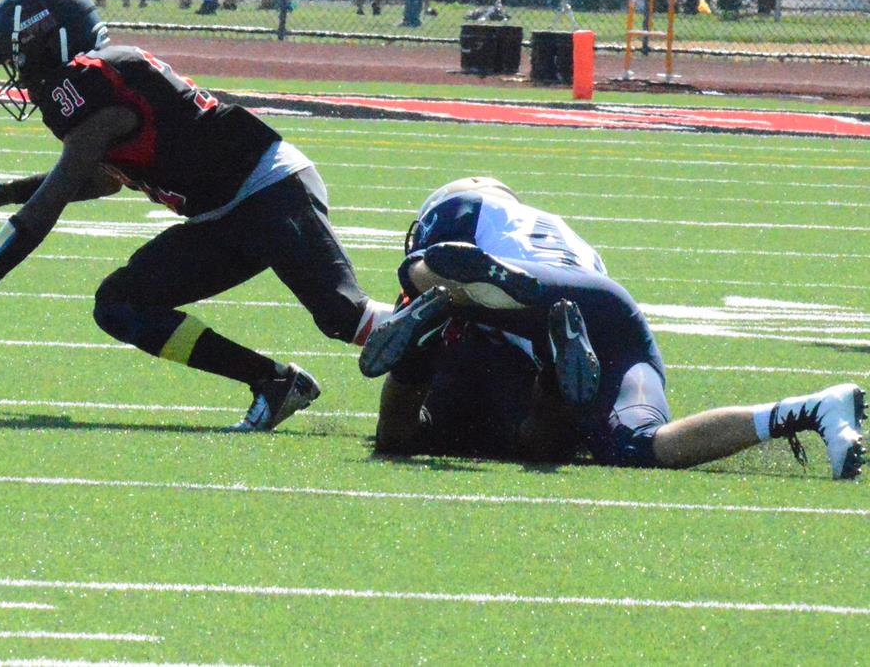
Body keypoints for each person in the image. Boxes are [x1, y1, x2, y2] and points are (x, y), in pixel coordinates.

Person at [0, 0, 393, 432]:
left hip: (269, 189)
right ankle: (274, 381)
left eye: (22, 61)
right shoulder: (95, 83)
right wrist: (5, 190)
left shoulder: (93, 80)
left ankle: (457, 328)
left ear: (53, 45)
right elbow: (100, 180)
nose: (21, 79)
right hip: (220, 216)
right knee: (121, 303)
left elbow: (46, 207)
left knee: (345, 318)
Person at [361, 178, 866, 479]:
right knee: (638, 444)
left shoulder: (468, 207)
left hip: (527, 299)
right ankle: (808, 409)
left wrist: (423, 285)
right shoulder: (562, 232)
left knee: (428, 281)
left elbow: (435, 260)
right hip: (609, 317)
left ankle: (449, 316)